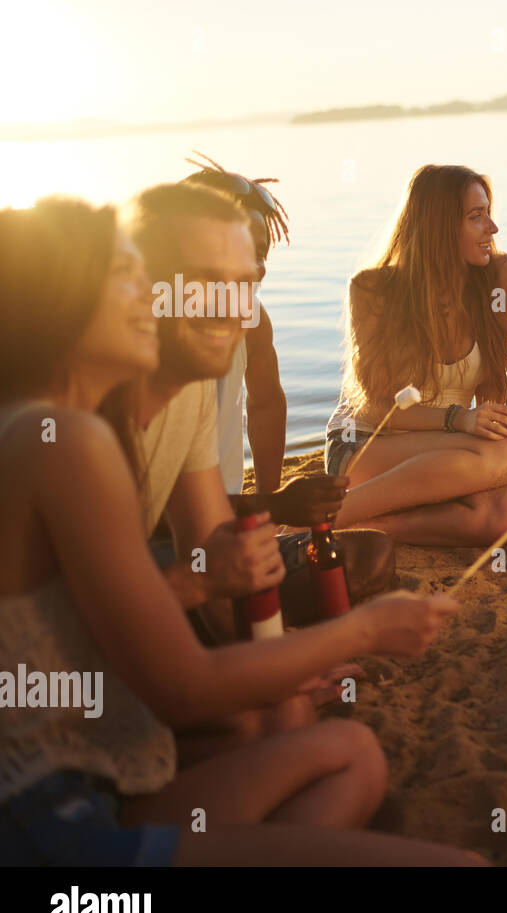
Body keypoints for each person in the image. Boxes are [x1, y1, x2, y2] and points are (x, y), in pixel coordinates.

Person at [0, 197, 482, 865]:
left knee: (350, 754)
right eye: (128, 278)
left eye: (244, 283)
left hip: (82, 794)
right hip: (53, 836)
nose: (155, 299)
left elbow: (127, 608)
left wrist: (245, 617)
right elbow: (185, 685)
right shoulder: (66, 438)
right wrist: (366, 631)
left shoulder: (54, 427)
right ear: (61, 298)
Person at [123, 183, 394, 640]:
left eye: (250, 268)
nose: (236, 292)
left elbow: (266, 402)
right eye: (209, 275)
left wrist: (267, 509)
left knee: (369, 558)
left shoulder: (198, 380)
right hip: (131, 575)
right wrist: (274, 504)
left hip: (210, 537)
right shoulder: (104, 393)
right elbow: (149, 532)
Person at [326, 165, 507, 546]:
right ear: (438, 226)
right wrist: (459, 420)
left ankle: (365, 527)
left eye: (489, 213)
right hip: (370, 443)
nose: (493, 228)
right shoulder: (373, 290)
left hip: (452, 447)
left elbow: (492, 387)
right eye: (476, 217)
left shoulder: (500, 278)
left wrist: (482, 431)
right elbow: (374, 409)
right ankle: (325, 518)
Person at [182, 152, 289, 497]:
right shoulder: (151, 325)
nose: (258, 269)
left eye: (261, 254)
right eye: (238, 249)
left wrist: (267, 502)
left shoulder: (252, 320)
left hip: (226, 514)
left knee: (369, 548)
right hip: (166, 534)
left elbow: (266, 404)